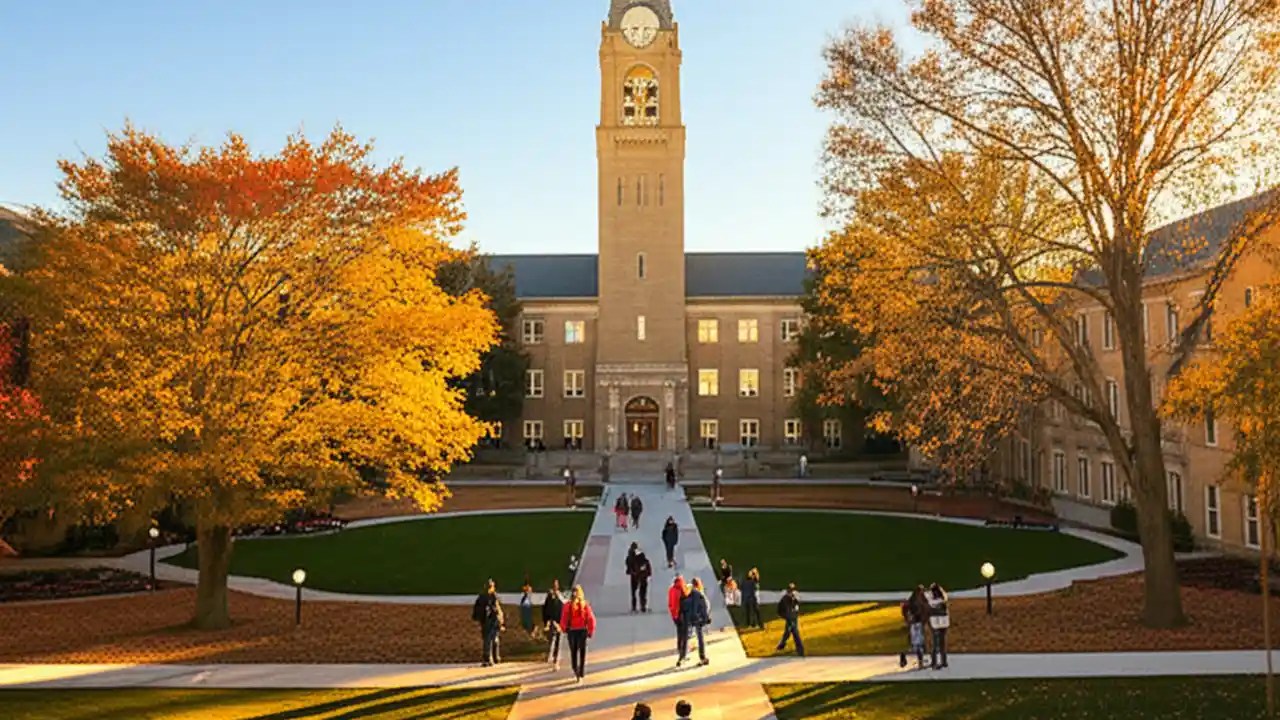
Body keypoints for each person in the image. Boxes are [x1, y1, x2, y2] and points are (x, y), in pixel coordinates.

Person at [559, 584, 597, 682]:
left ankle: (580, 671)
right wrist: (564, 628)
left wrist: (590, 630)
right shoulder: (568, 606)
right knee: (575, 651)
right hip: (573, 630)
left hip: (580, 630)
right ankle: (576, 669)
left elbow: (590, 619)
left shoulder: (584, 605)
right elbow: (564, 618)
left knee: (580, 651)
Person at [471, 579, 505, 667]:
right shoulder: (493, 597)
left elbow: (477, 610)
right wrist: (501, 620)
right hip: (492, 620)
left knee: (488, 640)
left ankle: (489, 658)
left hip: (488, 621)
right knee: (493, 639)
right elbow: (497, 610)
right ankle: (495, 657)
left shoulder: (483, 597)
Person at [679, 577, 711, 666]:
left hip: (688, 618)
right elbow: (704, 607)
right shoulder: (700, 594)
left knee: (686, 638)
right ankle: (702, 657)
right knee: (700, 638)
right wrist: (706, 618)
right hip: (698, 618)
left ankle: (682, 657)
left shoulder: (687, 593)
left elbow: (682, 605)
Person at [899, 585, 929, 669]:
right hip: (917, 625)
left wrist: (907, 620)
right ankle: (919, 663)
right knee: (918, 645)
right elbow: (922, 612)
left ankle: (905, 656)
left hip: (914, 624)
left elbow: (905, 610)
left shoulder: (911, 600)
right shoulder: (918, 601)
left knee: (916, 645)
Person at [775, 582, 804, 657]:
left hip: (793, 618)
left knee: (790, 633)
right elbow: (780, 609)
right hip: (789, 618)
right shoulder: (784, 599)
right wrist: (784, 616)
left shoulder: (795, 597)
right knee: (793, 633)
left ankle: (799, 649)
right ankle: (799, 650)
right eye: (790, 591)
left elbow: (798, 605)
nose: (791, 592)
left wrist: (794, 598)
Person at [542, 579, 565, 669]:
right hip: (552, 621)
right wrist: (546, 622)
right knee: (552, 639)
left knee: (558, 641)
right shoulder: (549, 597)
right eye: (554, 585)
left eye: (556, 585)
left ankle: (556, 659)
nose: (555, 587)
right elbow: (545, 610)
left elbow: (563, 607)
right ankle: (552, 656)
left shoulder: (560, 596)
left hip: (559, 622)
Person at [928, 582, 950, 669]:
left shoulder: (932, 602)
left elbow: (931, 610)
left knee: (935, 644)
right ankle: (944, 662)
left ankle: (934, 662)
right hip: (944, 624)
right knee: (942, 644)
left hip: (936, 624)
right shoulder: (944, 600)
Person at [668, 574, 687, 657]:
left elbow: (670, 603)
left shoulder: (671, 590)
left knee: (679, 631)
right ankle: (683, 649)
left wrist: (673, 613)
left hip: (674, 615)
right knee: (684, 632)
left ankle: (679, 646)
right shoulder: (682, 590)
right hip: (681, 614)